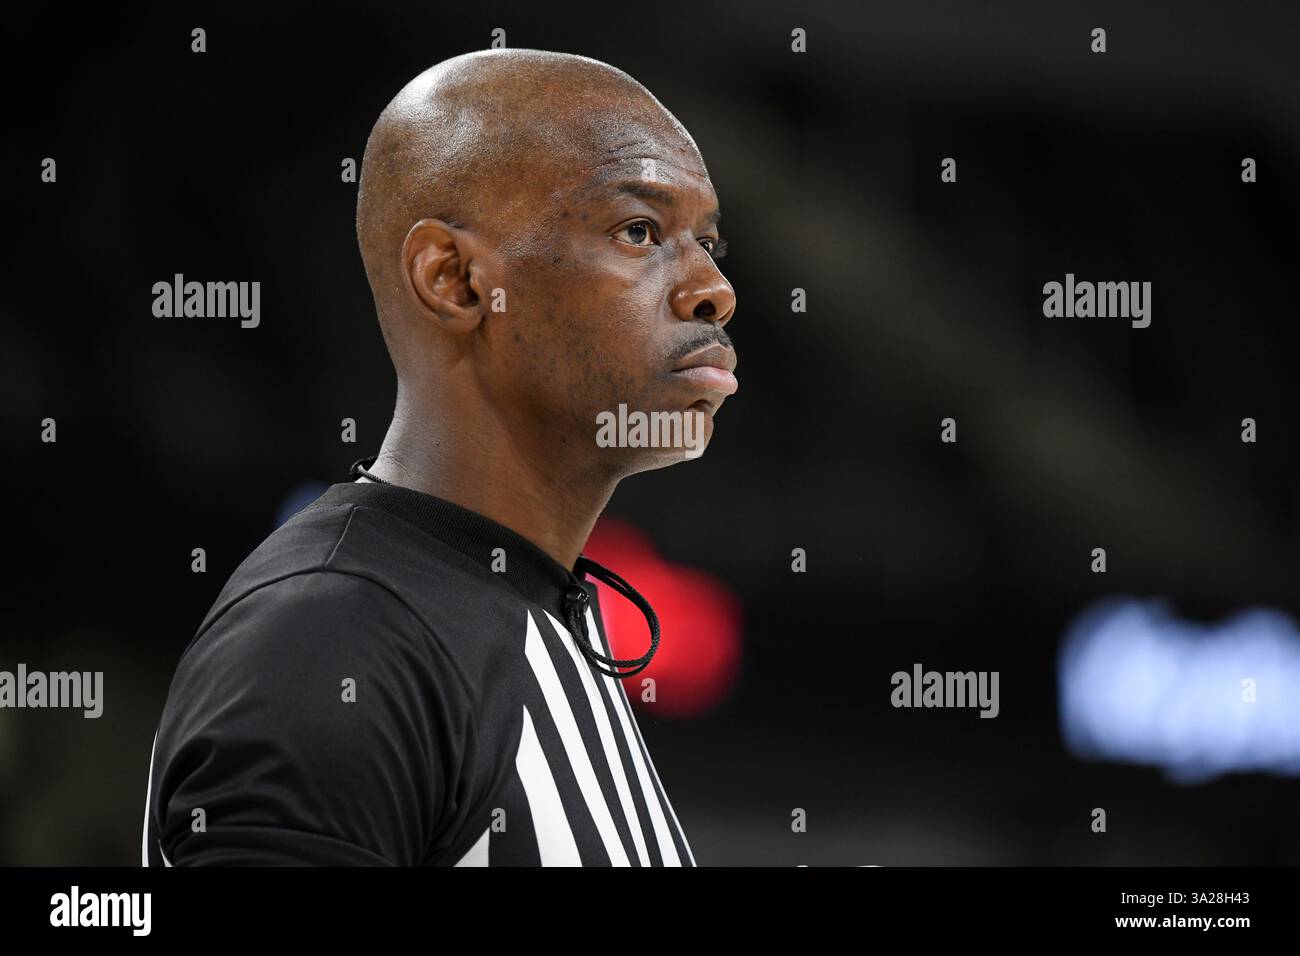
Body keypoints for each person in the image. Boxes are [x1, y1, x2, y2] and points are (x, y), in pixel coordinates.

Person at [142, 47, 737, 866]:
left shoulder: (532, 611)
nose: (712, 287)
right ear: (454, 281)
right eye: (640, 231)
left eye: (708, 242)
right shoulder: (333, 639)